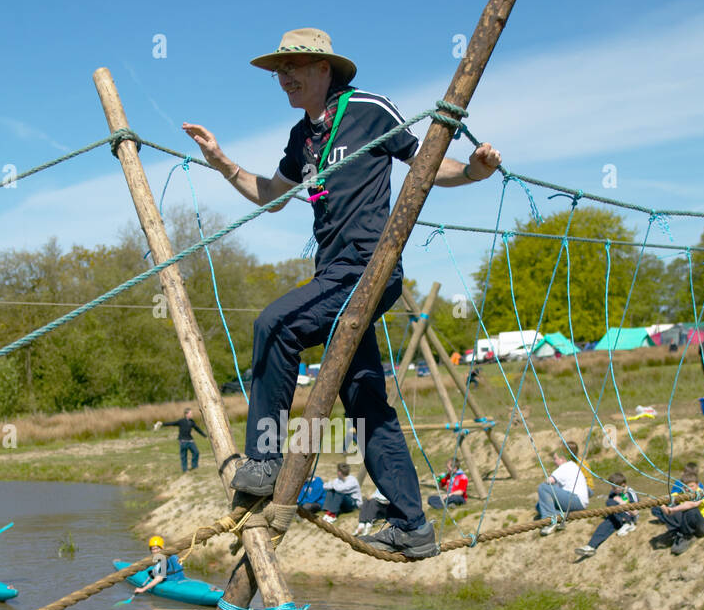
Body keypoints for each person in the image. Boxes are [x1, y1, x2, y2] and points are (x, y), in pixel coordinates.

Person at [183, 27, 502, 559]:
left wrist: (473, 171)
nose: (285, 78)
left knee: (275, 325)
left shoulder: (369, 108)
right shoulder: (301, 137)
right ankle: (411, 522)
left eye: (295, 67)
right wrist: (221, 162)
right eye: (279, 71)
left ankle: (264, 459)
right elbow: (273, 196)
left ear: (325, 69)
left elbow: (424, 162)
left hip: (368, 269)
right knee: (363, 399)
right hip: (333, 273)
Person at [650, 466, 704, 555]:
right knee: (661, 507)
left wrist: (672, 510)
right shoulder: (682, 494)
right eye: (685, 487)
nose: (688, 489)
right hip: (692, 525)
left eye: (692, 486)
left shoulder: (701, 493)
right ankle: (678, 531)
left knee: (690, 510)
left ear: (697, 484)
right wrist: (663, 505)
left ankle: (687, 537)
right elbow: (666, 498)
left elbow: (692, 504)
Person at [574, 472, 637, 558]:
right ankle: (591, 546)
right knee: (605, 524)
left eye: (615, 487)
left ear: (623, 484)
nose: (613, 489)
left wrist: (621, 503)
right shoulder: (613, 493)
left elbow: (635, 512)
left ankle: (629, 523)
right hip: (617, 517)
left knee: (611, 502)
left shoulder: (629, 492)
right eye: (612, 487)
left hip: (629, 516)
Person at [535, 441, 589, 534]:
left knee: (543, 487)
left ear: (562, 459)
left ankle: (550, 521)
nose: (554, 461)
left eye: (555, 459)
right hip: (579, 501)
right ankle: (558, 516)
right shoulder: (573, 466)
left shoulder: (564, 467)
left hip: (576, 500)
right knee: (540, 505)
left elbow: (549, 481)